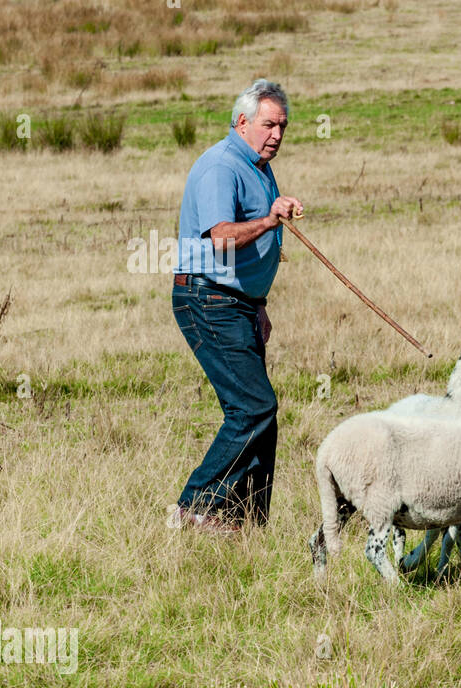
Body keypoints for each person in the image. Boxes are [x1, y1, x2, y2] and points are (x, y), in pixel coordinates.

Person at [171, 79, 303, 533]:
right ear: (242, 122)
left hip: (239, 302)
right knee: (254, 407)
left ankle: (242, 523)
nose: (277, 135)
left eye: (283, 126)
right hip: (208, 298)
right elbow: (223, 237)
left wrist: (259, 304)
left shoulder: (259, 165)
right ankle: (193, 508)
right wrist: (270, 219)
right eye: (269, 124)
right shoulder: (221, 166)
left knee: (260, 414)